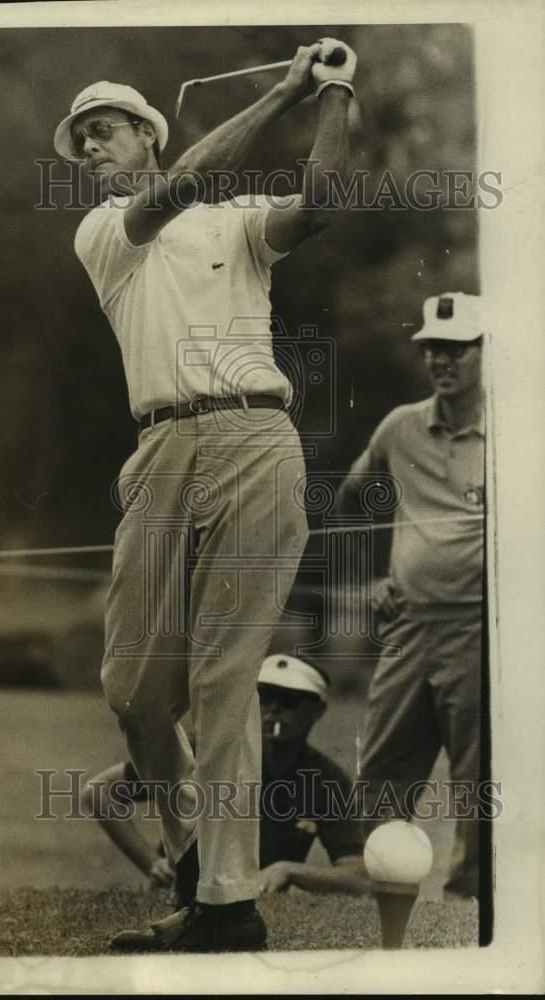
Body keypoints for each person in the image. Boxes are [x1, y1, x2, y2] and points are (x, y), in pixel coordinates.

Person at [54, 38, 357, 951]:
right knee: (136, 692)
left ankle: (226, 904)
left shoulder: (241, 221)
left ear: (148, 132)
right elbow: (189, 179)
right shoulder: (106, 231)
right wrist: (286, 88)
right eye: (84, 141)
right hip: (160, 451)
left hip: (255, 439)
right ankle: (198, 863)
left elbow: (323, 202)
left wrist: (335, 91)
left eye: (105, 132)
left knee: (226, 677)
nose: (93, 149)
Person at [335, 292, 486, 898]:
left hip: (480, 630)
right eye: (432, 350)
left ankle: (472, 899)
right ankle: (381, 888)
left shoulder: (522, 432)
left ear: (486, 353)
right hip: (407, 628)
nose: (441, 361)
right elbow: (350, 500)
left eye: (456, 349)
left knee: (479, 776)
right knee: (383, 771)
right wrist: (372, 576)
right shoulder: (400, 428)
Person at [80, 654, 368, 907]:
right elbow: (99, 792)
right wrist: (150, 862)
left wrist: (288, 870)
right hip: (182, 895)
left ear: (318, 711)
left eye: (291, 700)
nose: (274, 709)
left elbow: (359, 877)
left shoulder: (326, 781)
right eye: (265, 696)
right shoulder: (204, 752)